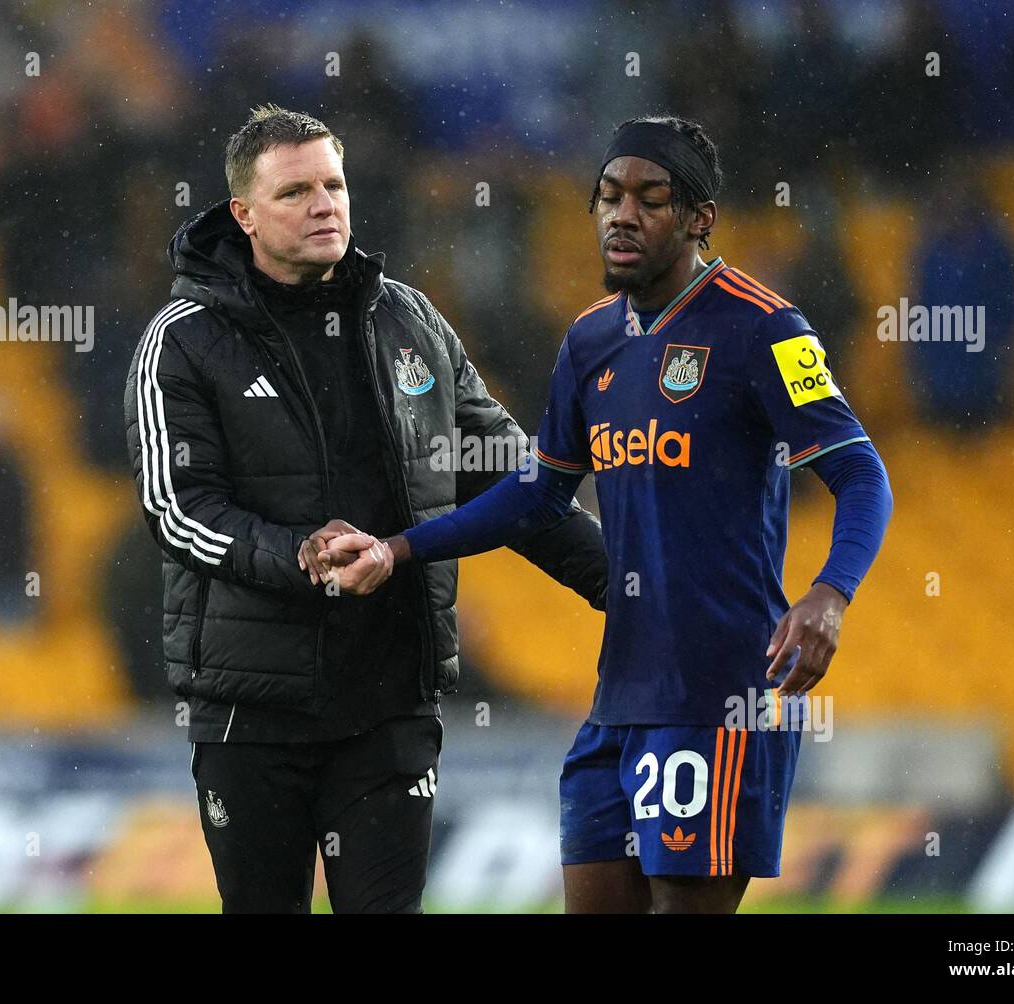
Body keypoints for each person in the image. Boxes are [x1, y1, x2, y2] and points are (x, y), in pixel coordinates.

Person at [321, 115, 893, 914]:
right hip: (618, 698)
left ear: (700, 218)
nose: (622, 215)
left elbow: (861, 473)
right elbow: (536, 494)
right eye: (609, 196)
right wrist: (397, 548)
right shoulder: (590, 341)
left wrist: (831, 593)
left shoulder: (763, 327)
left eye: (651, 198)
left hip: (717, 695)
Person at [122, 105, 607, 914]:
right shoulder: (185, 339)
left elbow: (517, 482)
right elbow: (177, 508)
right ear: (243, 215)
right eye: (296, 192)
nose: (325, 205)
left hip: (389, 703)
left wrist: (626, 588)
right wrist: (300, 554)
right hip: (255, 712)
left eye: (334, 184)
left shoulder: (409, 320)